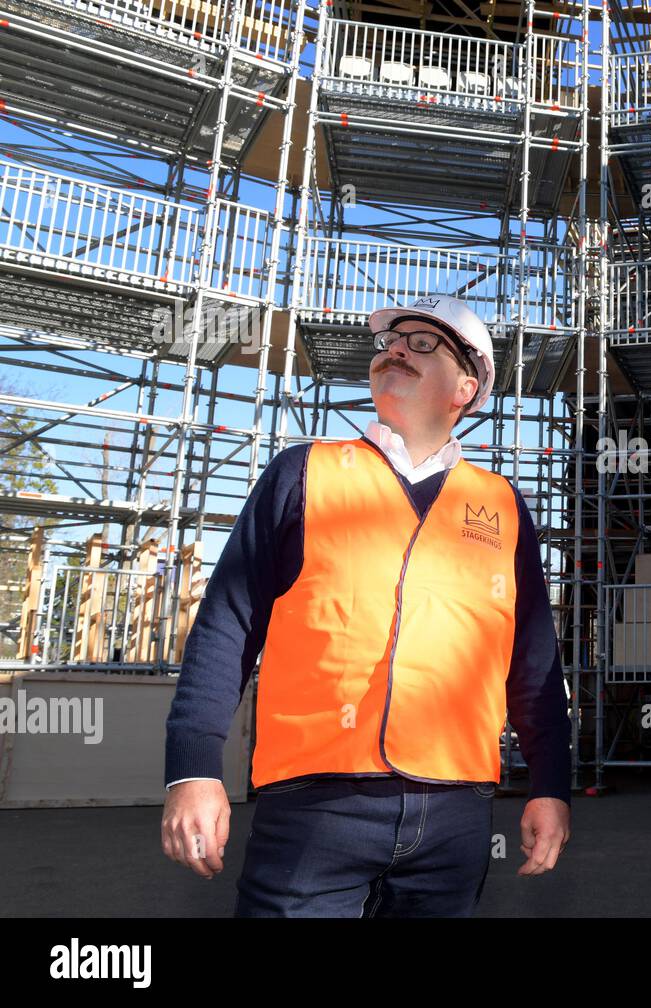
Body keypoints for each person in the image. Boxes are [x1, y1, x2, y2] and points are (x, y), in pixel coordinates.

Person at [161, 294, 571, 916]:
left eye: (423, 342)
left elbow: (534, 665)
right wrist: (193, 768)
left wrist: (550, 786)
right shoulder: (303, 474)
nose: (397, 348)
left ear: (466, 386)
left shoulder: (504, 506)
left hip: (456, 813)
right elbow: (226, 627)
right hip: (312, 806)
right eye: (391, 341)